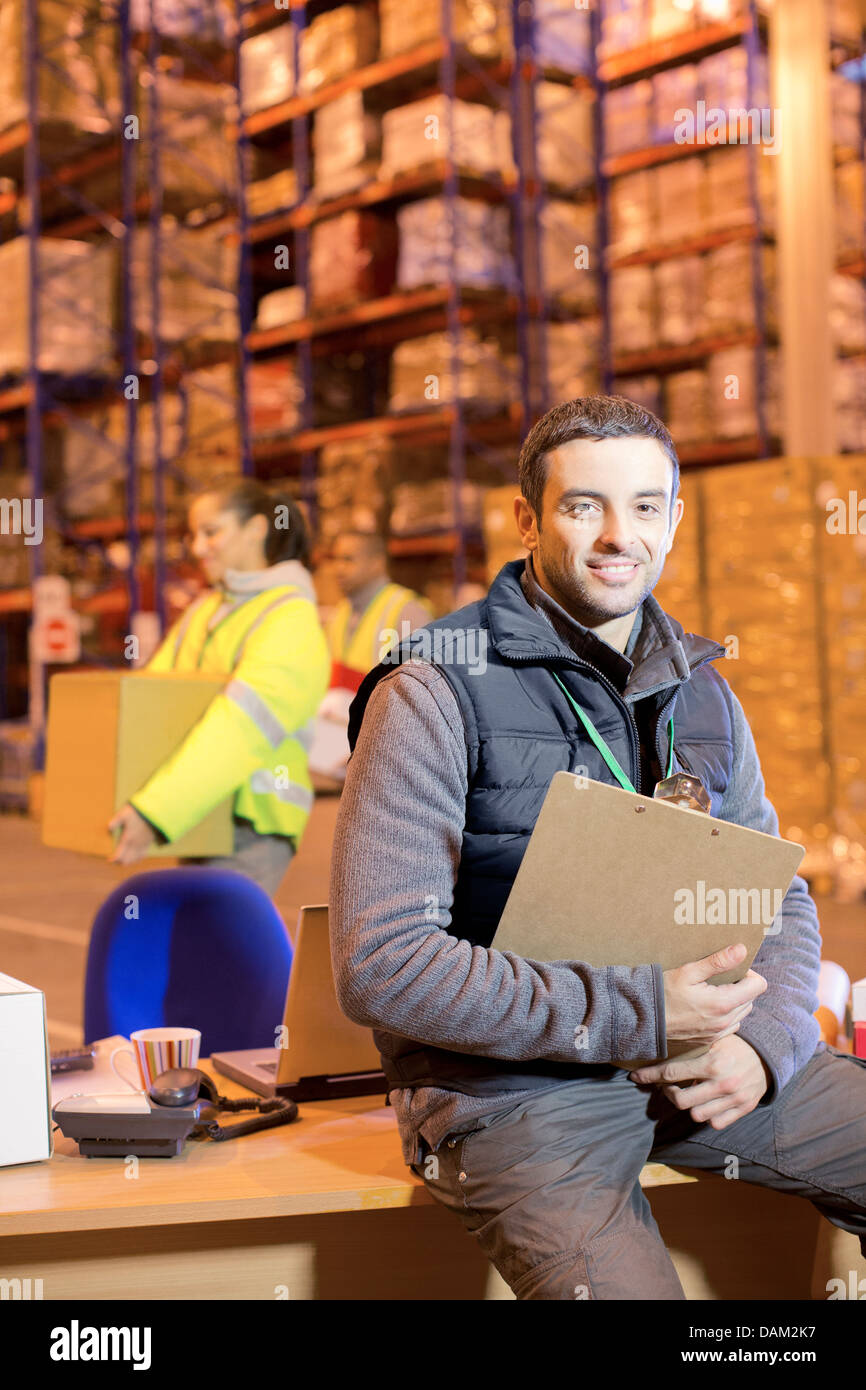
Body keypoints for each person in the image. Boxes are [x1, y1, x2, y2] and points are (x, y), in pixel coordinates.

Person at [329, 395, 866, 1300]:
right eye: (585, 506)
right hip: (509, 1093)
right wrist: (640, 1011)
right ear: (528, 519)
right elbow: (382, 965)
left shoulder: (705, 697)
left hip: (694, 1063)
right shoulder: (432, 689)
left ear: (674, 519)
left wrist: (764, 1048)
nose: (621, 535)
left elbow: (779, 899)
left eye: (646, 507)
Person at [108, 478, 330, 898]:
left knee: (217, 955)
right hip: (200, 816)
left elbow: (238, 731)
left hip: (252, 824)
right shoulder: (204, 611)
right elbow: (148, 700)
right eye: (193, 534)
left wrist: (156, 810)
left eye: (212, 532)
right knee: (195, 954)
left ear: (257, 529)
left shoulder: (290, 622)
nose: (197, 547)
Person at [308, 530, 433, 783]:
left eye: (348, 559)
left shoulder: (407, 611)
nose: (338, 569)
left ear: (377, 562)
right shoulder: (339, 615)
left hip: (389, 764)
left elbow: (424, 699)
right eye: (335, 559)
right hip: (341, 757)